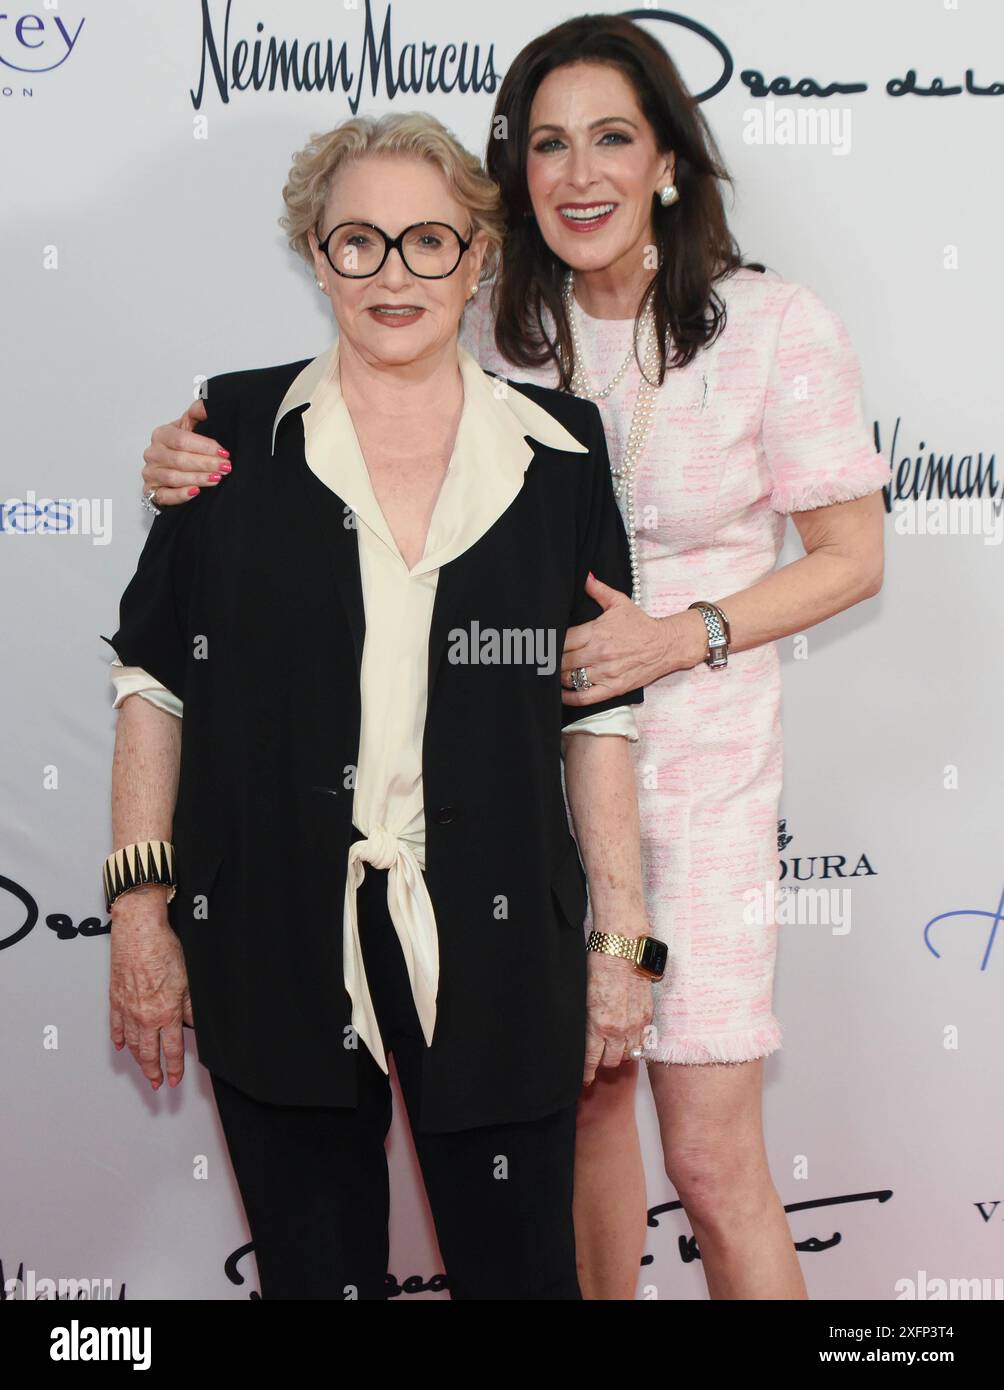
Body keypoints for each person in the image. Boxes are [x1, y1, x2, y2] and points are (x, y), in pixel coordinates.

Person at [136, 17, 887, 1301]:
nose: (578, 171)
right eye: (547, 143)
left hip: (693, 791)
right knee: (571, 1141)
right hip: (512, 805)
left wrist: (683, 631)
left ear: (666, 162)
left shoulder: (772, 324)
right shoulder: (501, 333)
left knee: (707, 1160)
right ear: (512, 181)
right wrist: (185, 456)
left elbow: (850, 557)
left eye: (611, 138)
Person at [103, 112, 662, 1300]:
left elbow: (592, 709)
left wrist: (619, 938)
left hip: (503, 941)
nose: (393, 273)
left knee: (522, 1280)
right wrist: (140, 910)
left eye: (427, 242)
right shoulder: (230, 436)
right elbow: (156, 685)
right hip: (269, 932)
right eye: (358, 241)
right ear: (316, 257)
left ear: (479, 260)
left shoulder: (559, 450)